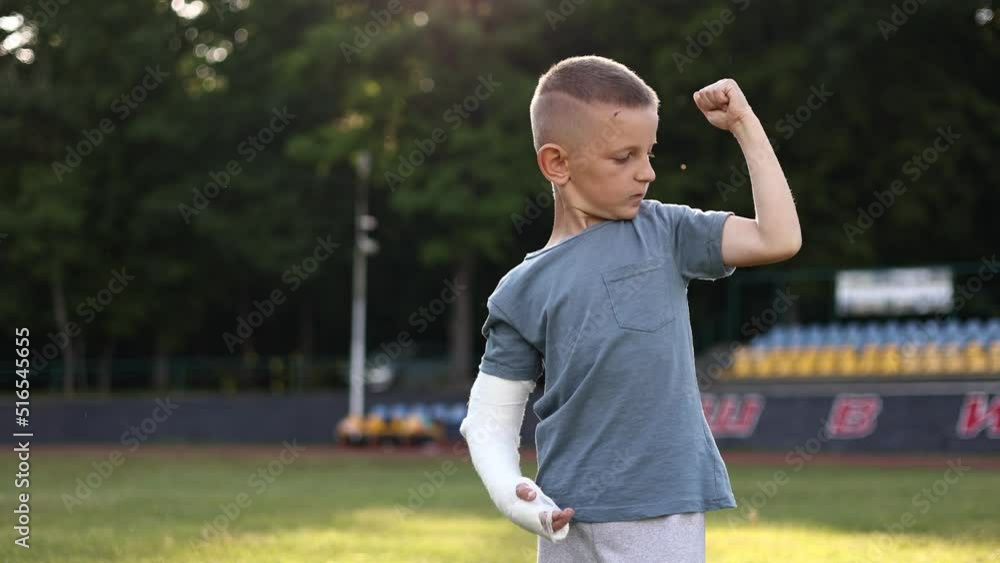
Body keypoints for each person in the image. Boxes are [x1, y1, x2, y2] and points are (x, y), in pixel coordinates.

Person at [459, 55, 801, 563]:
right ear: (558, 163)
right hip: (563, 520)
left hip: (660, 511)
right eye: (624, 157)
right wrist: (516, 496)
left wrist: (744, 126)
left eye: (649, 153)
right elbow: (488, 421)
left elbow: (779, 237)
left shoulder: (666, 231)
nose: (647, 172)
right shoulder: (520, 289)